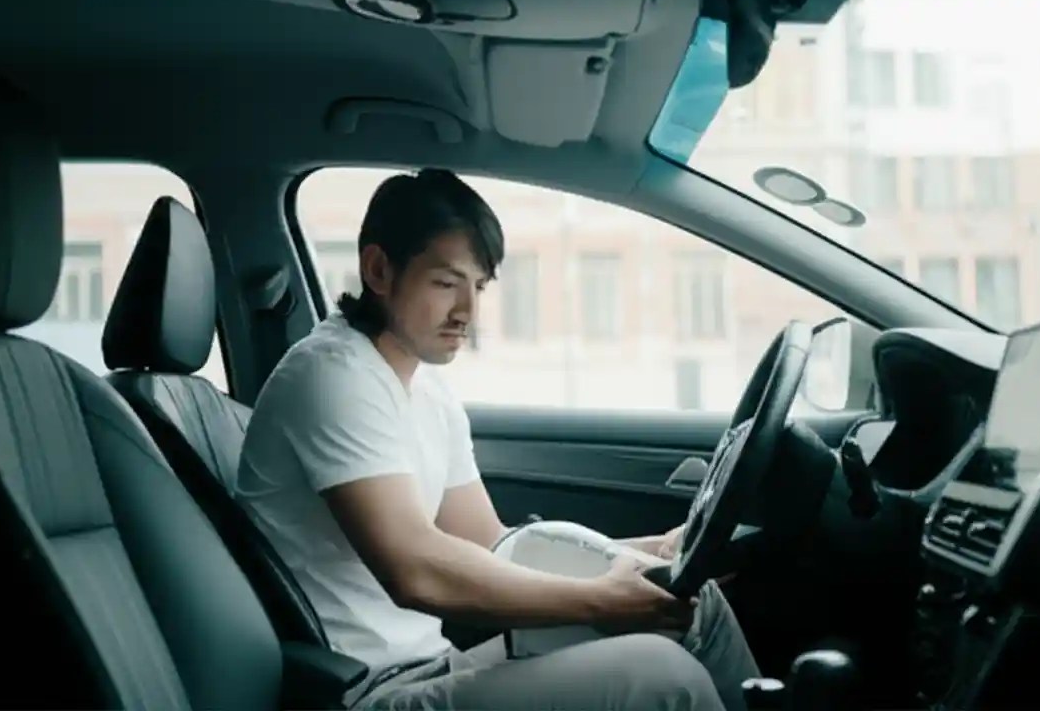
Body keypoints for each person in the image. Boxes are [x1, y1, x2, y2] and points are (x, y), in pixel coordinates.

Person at [236, 168, 760, 710]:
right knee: (664, 675)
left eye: (479, 286)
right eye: (446, 284)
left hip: (433, 663)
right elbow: (414, 570)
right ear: (379, 270)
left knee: (696, 606)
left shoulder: (426, 389)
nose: (468, 312)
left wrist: (653, 552)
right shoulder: (332, 375)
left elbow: (489, 544)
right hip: (366, 691)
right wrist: (600, 601)